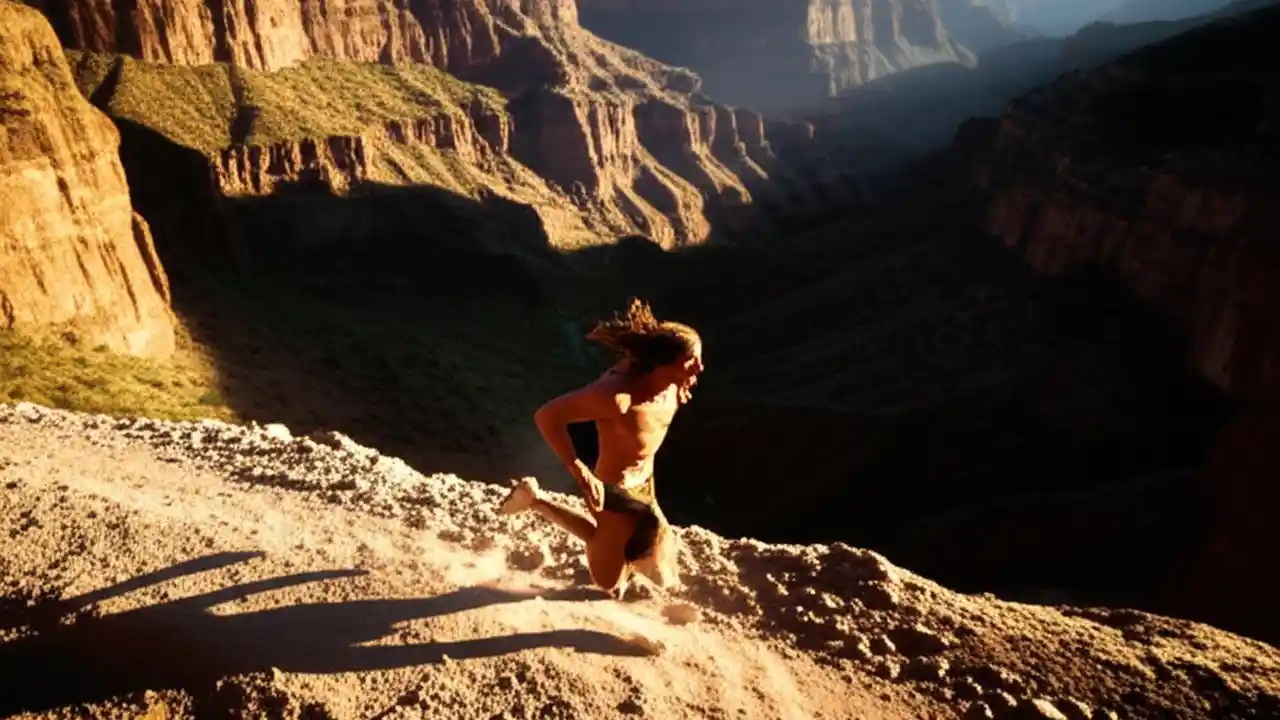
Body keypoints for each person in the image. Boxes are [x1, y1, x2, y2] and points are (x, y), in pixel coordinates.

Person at [497, 298, 704, 599]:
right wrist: (578, 469)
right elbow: (547, 415)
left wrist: (680, 379)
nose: (700, 367)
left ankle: (542, 504)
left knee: (655, 557)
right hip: (614, 490)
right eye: (690, 362)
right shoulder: (617, 397)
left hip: (645, 482)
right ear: (661, 364)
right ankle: (536, 500)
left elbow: (664, 394)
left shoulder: (668, 381)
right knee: (608, 581)